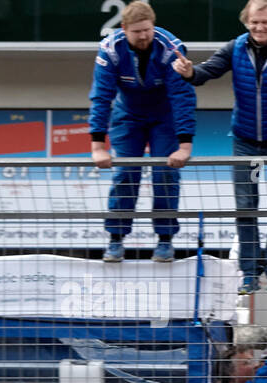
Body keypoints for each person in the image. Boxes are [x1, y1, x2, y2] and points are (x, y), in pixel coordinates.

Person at [172, 0, 267, 295]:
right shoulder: (235, 48)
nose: (259, 28)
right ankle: (249, 273)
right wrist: (188, 72)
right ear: (246, 22)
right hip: (245, 141)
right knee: (245, 208)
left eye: (265, 22)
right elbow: (207, 72)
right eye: (254, 22)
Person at [90, 2, 196, 264]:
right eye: (137, 31)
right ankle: (115, 239)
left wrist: (184, 144)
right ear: (124, 28)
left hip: (165, 117)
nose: (143, 36)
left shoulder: (171, 47)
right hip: (127, 116)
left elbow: (182, 95)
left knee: (165, 173)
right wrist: (97, 145)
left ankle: (165, 240)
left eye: (147, 30)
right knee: (126, 174)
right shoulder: (109, 50)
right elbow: (101, 97)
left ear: (153, 25)